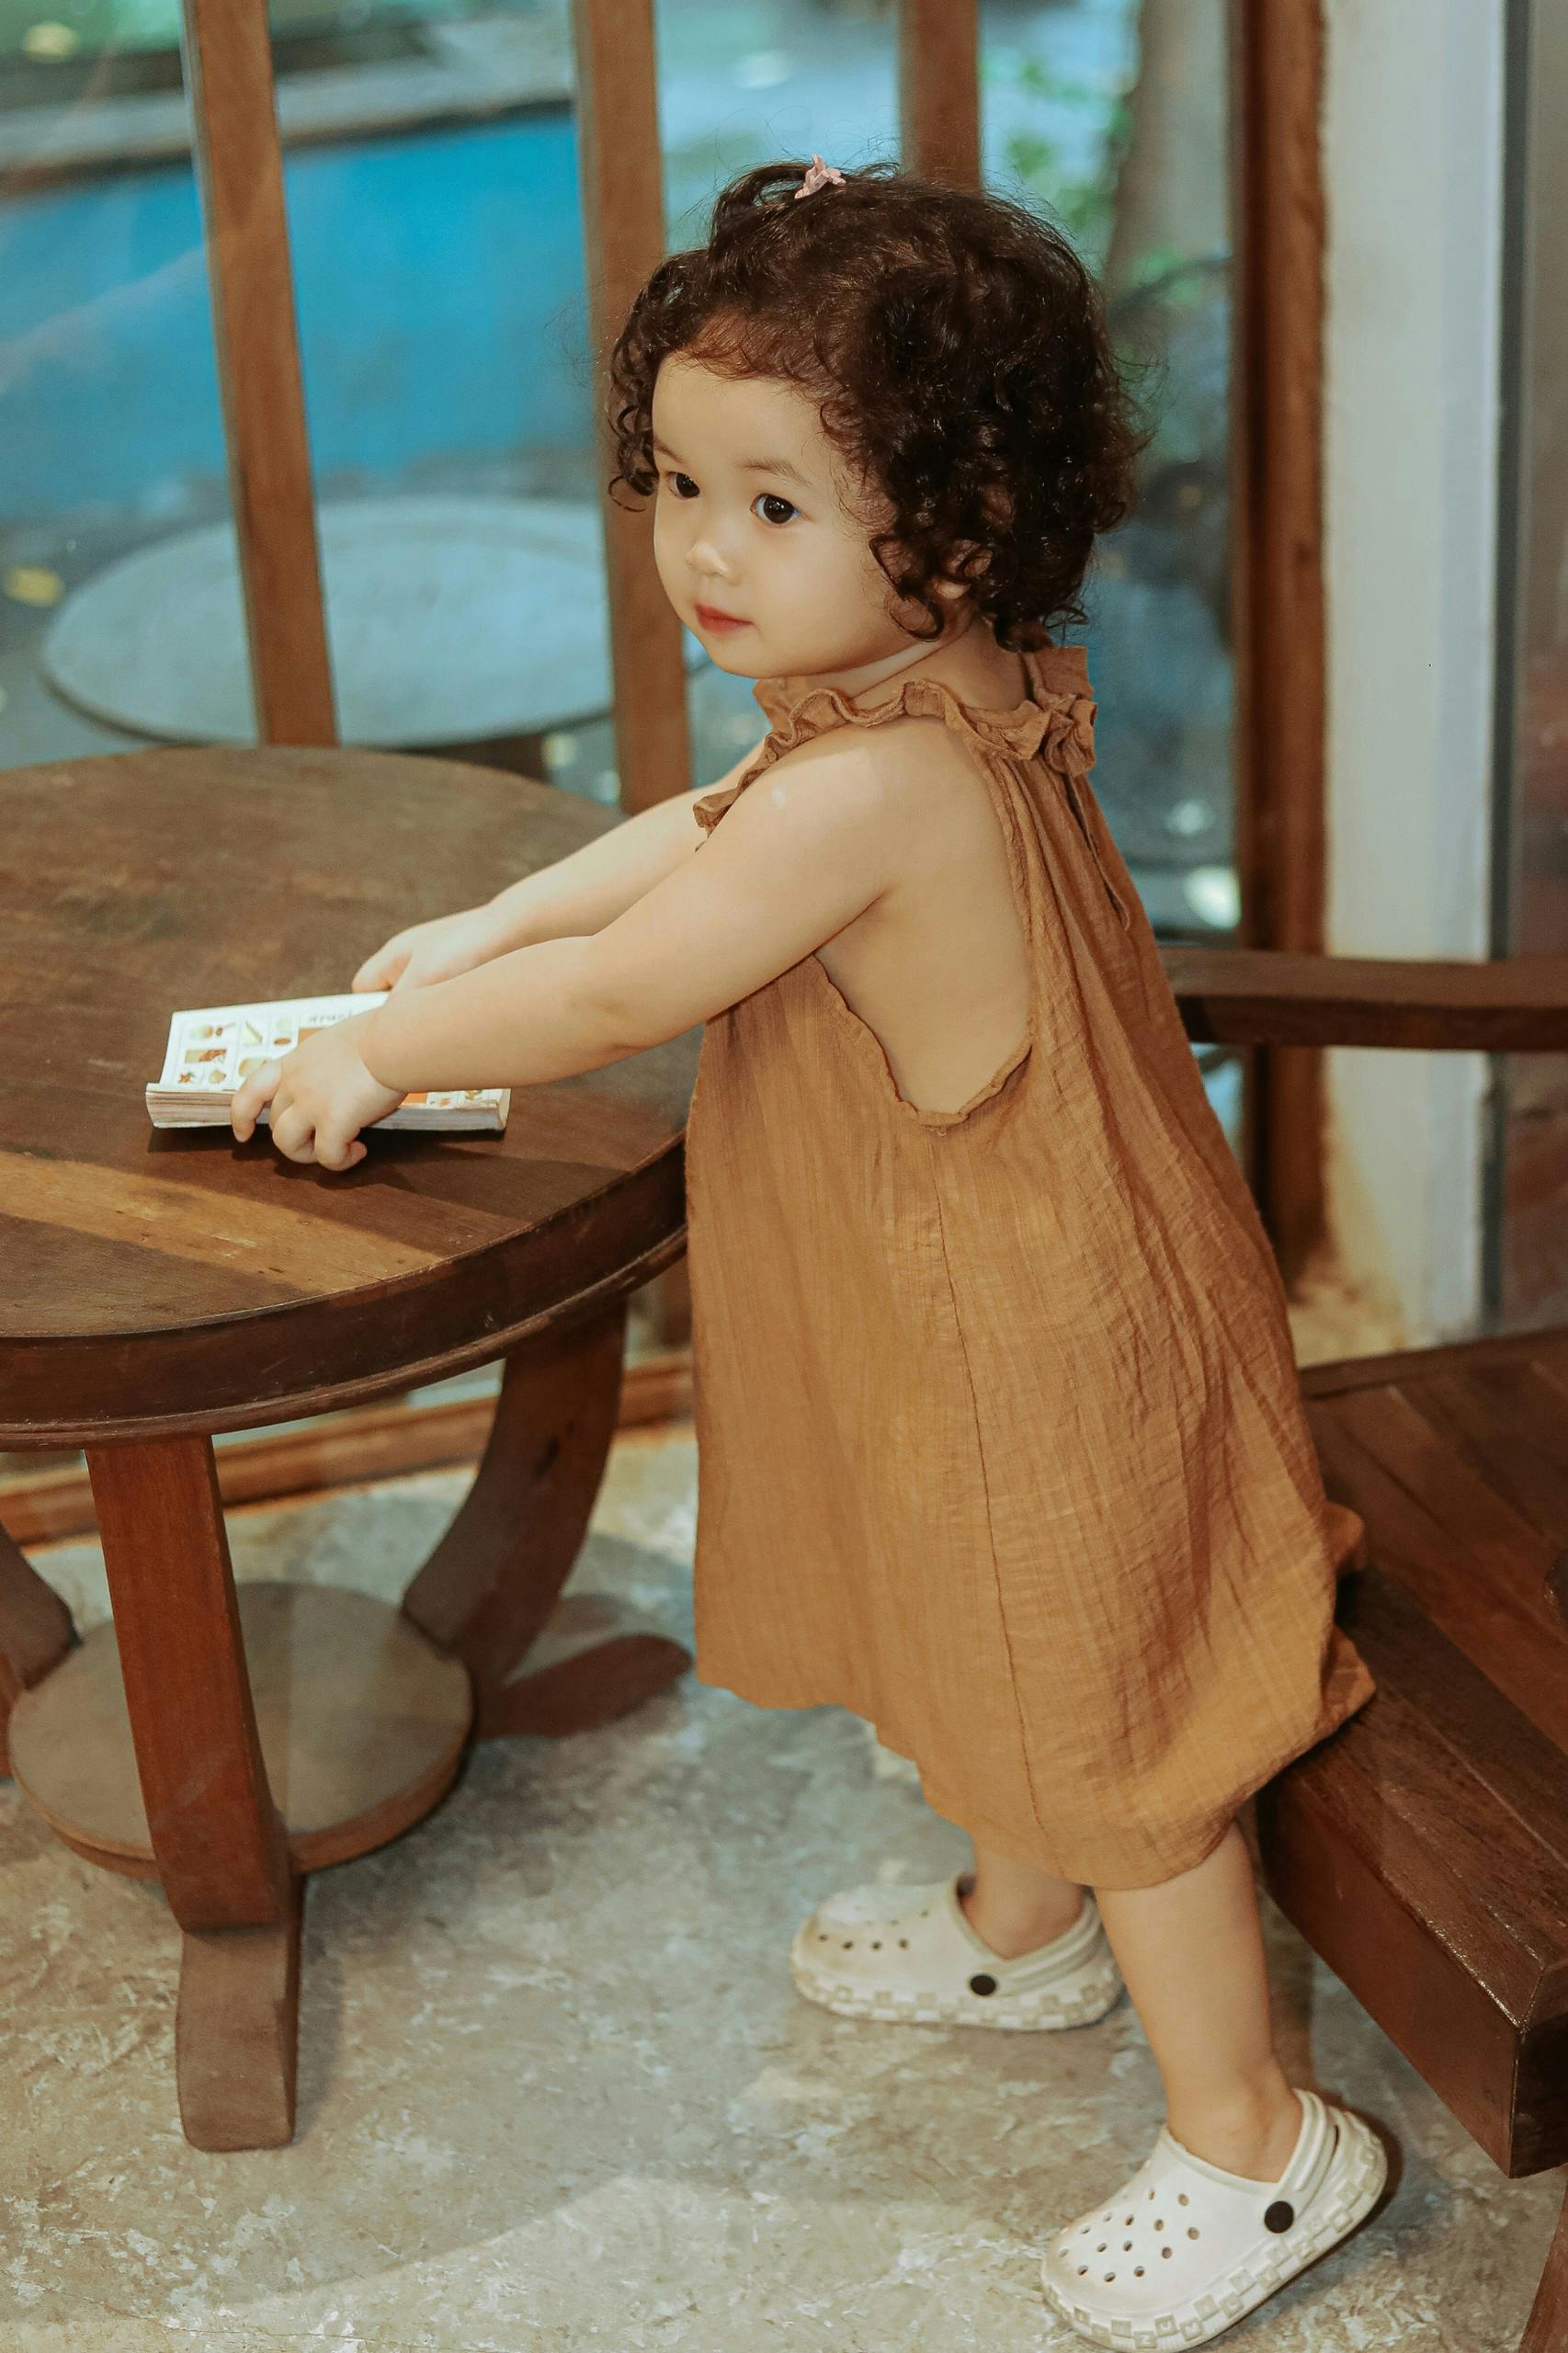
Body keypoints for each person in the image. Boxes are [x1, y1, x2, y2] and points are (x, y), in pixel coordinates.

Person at [229, 155, 1389, 2348]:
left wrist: (391, 1040)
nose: (699, 549)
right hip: (970, 1303)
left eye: (774, 503)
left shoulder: (884, 789)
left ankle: (1255, 2136)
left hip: (1030, 1338)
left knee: (1105, 1713)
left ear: (948, 524)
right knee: (984, 1643)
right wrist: (497, 906)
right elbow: (699, 834)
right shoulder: (919, 694)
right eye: (677, 481)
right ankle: (1020, 1920)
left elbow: (626, 994)